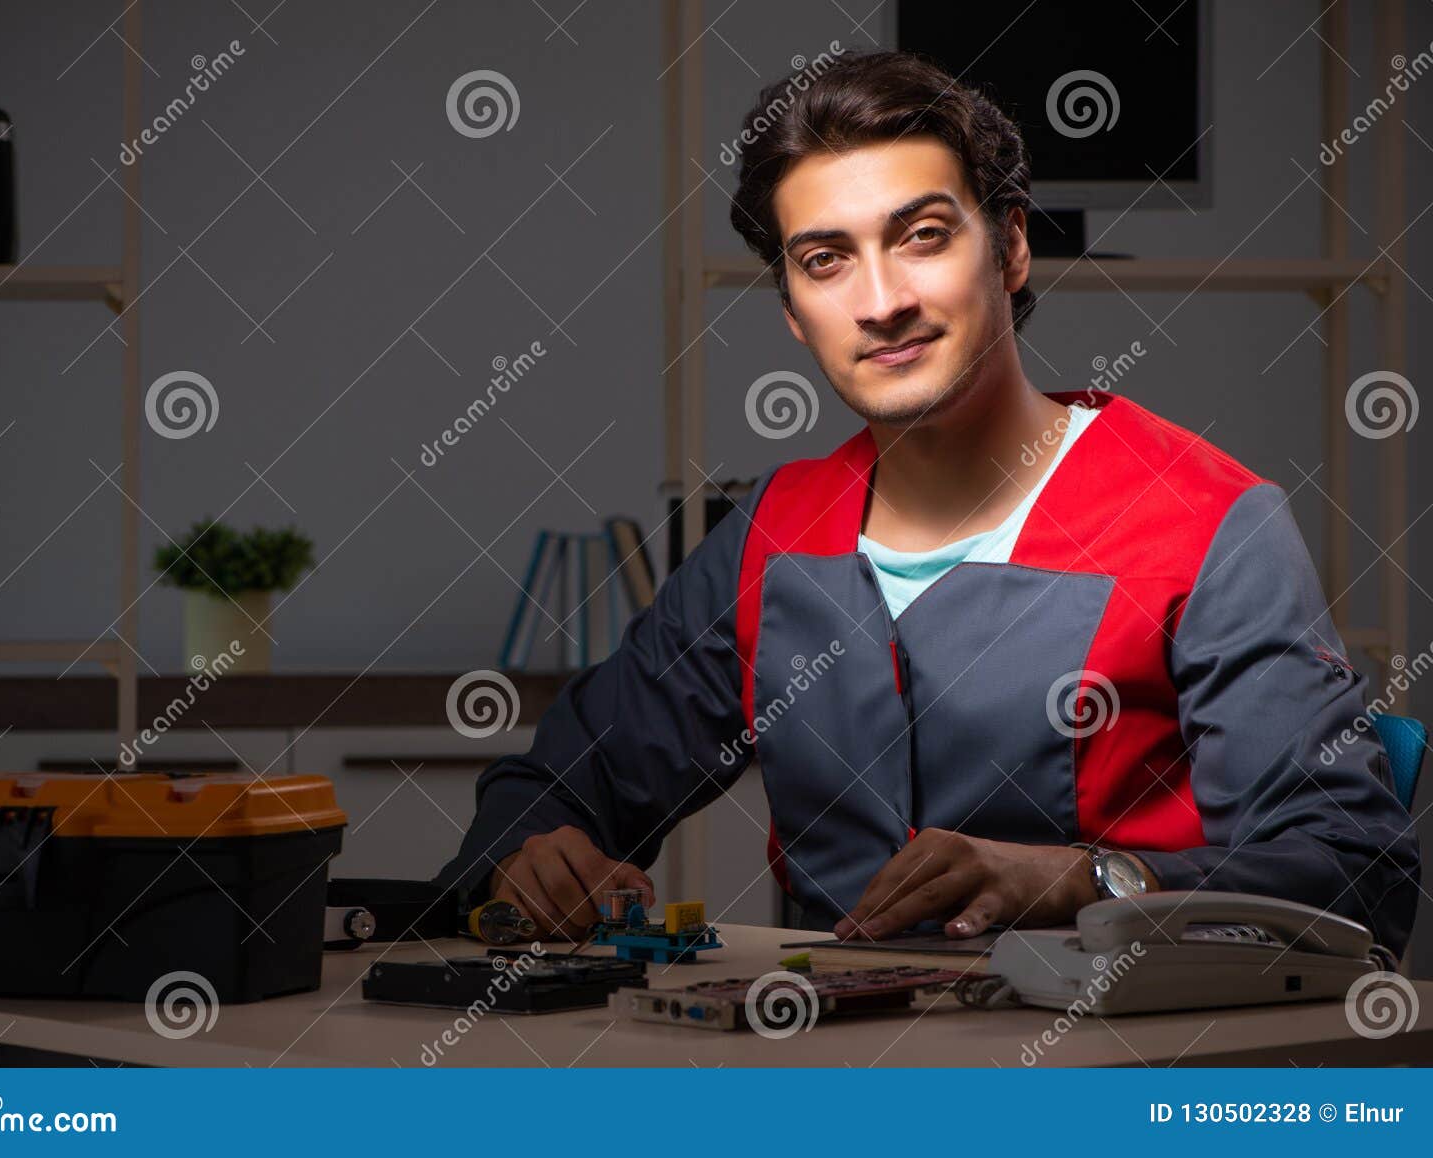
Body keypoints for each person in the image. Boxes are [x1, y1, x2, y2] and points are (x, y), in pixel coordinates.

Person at [435, 50, 1421, 958]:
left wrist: (1087, 881)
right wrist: (534, 854)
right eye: (825, 260)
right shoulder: (772, 534)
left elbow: (1353, 873)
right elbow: (558, 784)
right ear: (793, 310)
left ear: (1011, 247)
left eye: (922, 237)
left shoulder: (1207, 525)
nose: (881, 301)